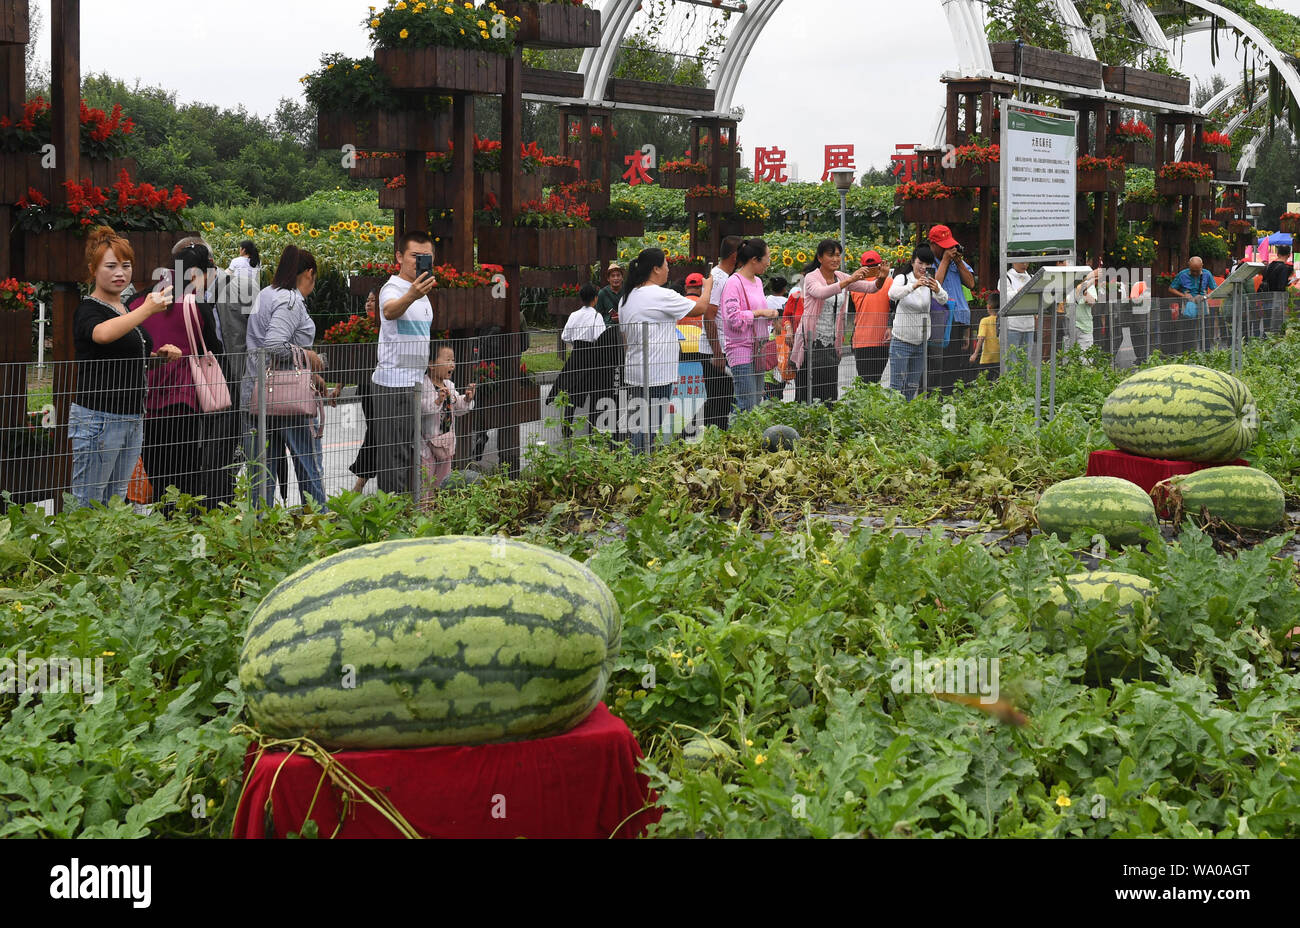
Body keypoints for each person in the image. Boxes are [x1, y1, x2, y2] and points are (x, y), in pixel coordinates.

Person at [70, 227, 181, 508]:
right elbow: (102, 335)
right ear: (93, 270)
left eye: (126, 265)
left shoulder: (124, 310)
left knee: (116, 500)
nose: (120, 272)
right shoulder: (89, 309)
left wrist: (158, 356)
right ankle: (80, 552)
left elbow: (126, 353)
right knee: (89, 503)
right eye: (111, 266)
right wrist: (146, 310)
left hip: (131, 416)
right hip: (100, 418)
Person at [136, 241, 228, 508]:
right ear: (198, 274)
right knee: (184, 473)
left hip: (145, 399)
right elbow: (214, 349)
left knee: (157, 471)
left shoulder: (140, 301)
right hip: (182, 402)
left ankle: (163, 523)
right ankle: (180, 527)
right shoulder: (196, 305)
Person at [242, 245, 326, 507]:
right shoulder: (290, 300)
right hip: (289, 398)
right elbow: (275, 344)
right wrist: (306, 355)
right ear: (309, 273)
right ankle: (319, 522)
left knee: (262, 474)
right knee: (309, 467)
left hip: (259, 393)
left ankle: (259, 529)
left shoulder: (267, 294)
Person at [619, 247, 712, 453]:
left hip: (635, 370)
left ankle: (637, 465)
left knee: (641, 426)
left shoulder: (626, 297)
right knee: (647, 429)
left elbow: (625, 337)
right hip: (657, 374)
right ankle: (639, 466)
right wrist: (708, 287)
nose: (668, 270)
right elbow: (700, 308)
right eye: (666, 265)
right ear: (655, 269)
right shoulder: (660, 295)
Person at [373, 231, 437, 494]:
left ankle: (405, 512)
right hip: (393, 384)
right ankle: (391, 517)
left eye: (426, 257)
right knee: (393, 458)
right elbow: (389, 311)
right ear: (399, 256)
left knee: (409, 453)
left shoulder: (424, 293)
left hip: (415, 384)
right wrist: (411, 294)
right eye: (414, 256)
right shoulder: (393, 288)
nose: (419, 262)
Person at [794, 239, 881, 406]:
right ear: (820, 258)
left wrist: (881, 278)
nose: (835, 259)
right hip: (811, 342)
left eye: (838, 255)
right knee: (809, 392)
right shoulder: (811, 278)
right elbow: (820, 292)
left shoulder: (840, 276)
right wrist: (848, 281)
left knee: (829, 393)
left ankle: (827, 428)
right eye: (831, 255)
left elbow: (871, 288)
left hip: (831, 343)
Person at [720, 239, 782, 414]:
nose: (768, 263)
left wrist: (770, 316)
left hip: (758, 349)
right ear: (754, 259)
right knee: (746, 404)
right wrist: (759, 313)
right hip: (741, 349)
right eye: (767, 258)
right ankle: (736, 439)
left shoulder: (758, 282)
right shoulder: (734, 282)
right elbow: (732, 318)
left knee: (755, 403)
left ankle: (748, 439)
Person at [888, 246, 948, 401]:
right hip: (902, 340)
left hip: (921, 342)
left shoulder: (930, 281)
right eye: (920, 263)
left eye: (928, 264)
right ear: (912, 261)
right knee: (896, 386)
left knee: (912, 385)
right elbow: (892, 294)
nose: (924, 268)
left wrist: (936, 290)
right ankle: (892, 417)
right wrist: (914, 286)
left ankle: (906, 418)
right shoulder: (903, 278)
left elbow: (944, 299)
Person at [553, 283, 610, 437]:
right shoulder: (597, 316)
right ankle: (592, 429)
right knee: (594, 392)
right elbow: (601, 337)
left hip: (576, 356)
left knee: (572, 391)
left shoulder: (573, 315)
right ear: (595, 299)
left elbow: (565, 336)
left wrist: (576, 341)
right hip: (592, 357)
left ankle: (567, 425)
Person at [420, 342, 476, 495]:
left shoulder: (449, 385)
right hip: (426, 444)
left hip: (446, 441)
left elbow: (457, 407)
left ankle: (440, 507)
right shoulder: (423, 386)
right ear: (431, 364)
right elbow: (421, 410)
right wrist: (437, 401)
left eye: (453, 360)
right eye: (447, 360)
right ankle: (425, 511)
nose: (452, 364)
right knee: (426, 480)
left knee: (444, 481)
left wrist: (466, 399)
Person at [699, 236, 742, 430]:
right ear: (734, 256)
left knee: (723, 403)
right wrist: (717, 353)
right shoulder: (718, 278)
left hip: (721, 349)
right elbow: (709, 315)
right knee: (718, 404)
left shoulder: (725, 277)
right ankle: (712, 442)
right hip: (714, 351)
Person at [929, 224, 977, 391]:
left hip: (960, 318)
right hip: (942, 321)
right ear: (933, 245)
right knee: (942, 365)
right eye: (944, 246)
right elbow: (936, 285)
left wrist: (958, 262)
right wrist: (945, 260)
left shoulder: (957, 262)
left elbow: (971, 283)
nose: (948, 249)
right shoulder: (929, 262)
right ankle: (942, 398)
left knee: (959, 365)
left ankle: (956, 398)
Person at [350, 289, 383, 493]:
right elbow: (353, 360)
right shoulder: (360, 328)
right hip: (366, 387)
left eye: (373, 300)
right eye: (367, 300)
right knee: (376, 430)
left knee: (377, 431)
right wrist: (338, 387)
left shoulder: (387, 327)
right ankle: (361, 481)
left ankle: (360, 482)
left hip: (384, 384)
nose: (369, 304)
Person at [849, 251, 894, 384]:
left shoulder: (855, 284)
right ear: (880, 265)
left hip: (861, 340)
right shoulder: (890, 282)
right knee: (875, 380)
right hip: (882, 340)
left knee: (864, 381)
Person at [1170, 256, 1215, 353]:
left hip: (1203, 304)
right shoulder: (1182, 274)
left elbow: (1215, 289)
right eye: (1192, 271)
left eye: (1197, 271)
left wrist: (1206, 296)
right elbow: (1171, 288)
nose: (1195, 273)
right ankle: (1189, 353)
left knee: (1205, 331)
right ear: (1188, 266)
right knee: (1188, 332)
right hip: (1187, 307)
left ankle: (1206, 353)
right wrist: (1183, 295)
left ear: (1202, 266)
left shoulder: (1207, 274)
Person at [1003, 261, 1035, 364]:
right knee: (1012, 360)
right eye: (1021, 262)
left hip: (1029, 324)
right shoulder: (1006, 278)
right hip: (1012, 325)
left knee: (1026, 360)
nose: (1025, 264)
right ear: (1013, 261)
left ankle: (1025, 381)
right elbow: (1005, 297)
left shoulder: (1032, 277)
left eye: (1027, 262)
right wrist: (1019, 291)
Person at [765, 276, 791, 401]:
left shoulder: (767, 299)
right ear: (784, 289)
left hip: (770, 334)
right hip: (782, 336)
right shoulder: (786, 302)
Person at [1064, 264, 1099, 354]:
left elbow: (1092, 302)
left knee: (1085, 361)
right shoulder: (1066, 285)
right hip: (1069, 327)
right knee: (1068, 360)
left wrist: (1084, 290)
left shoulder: (1088, 285)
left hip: (1085, 328)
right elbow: (1068, 300)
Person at [969, 291, 1000, 371]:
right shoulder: (1002, 320)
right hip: (1000, 357)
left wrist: (975, 354)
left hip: (987, 358)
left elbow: (981, 338)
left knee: (985, 381)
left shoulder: (984, 321)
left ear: (988, 307)